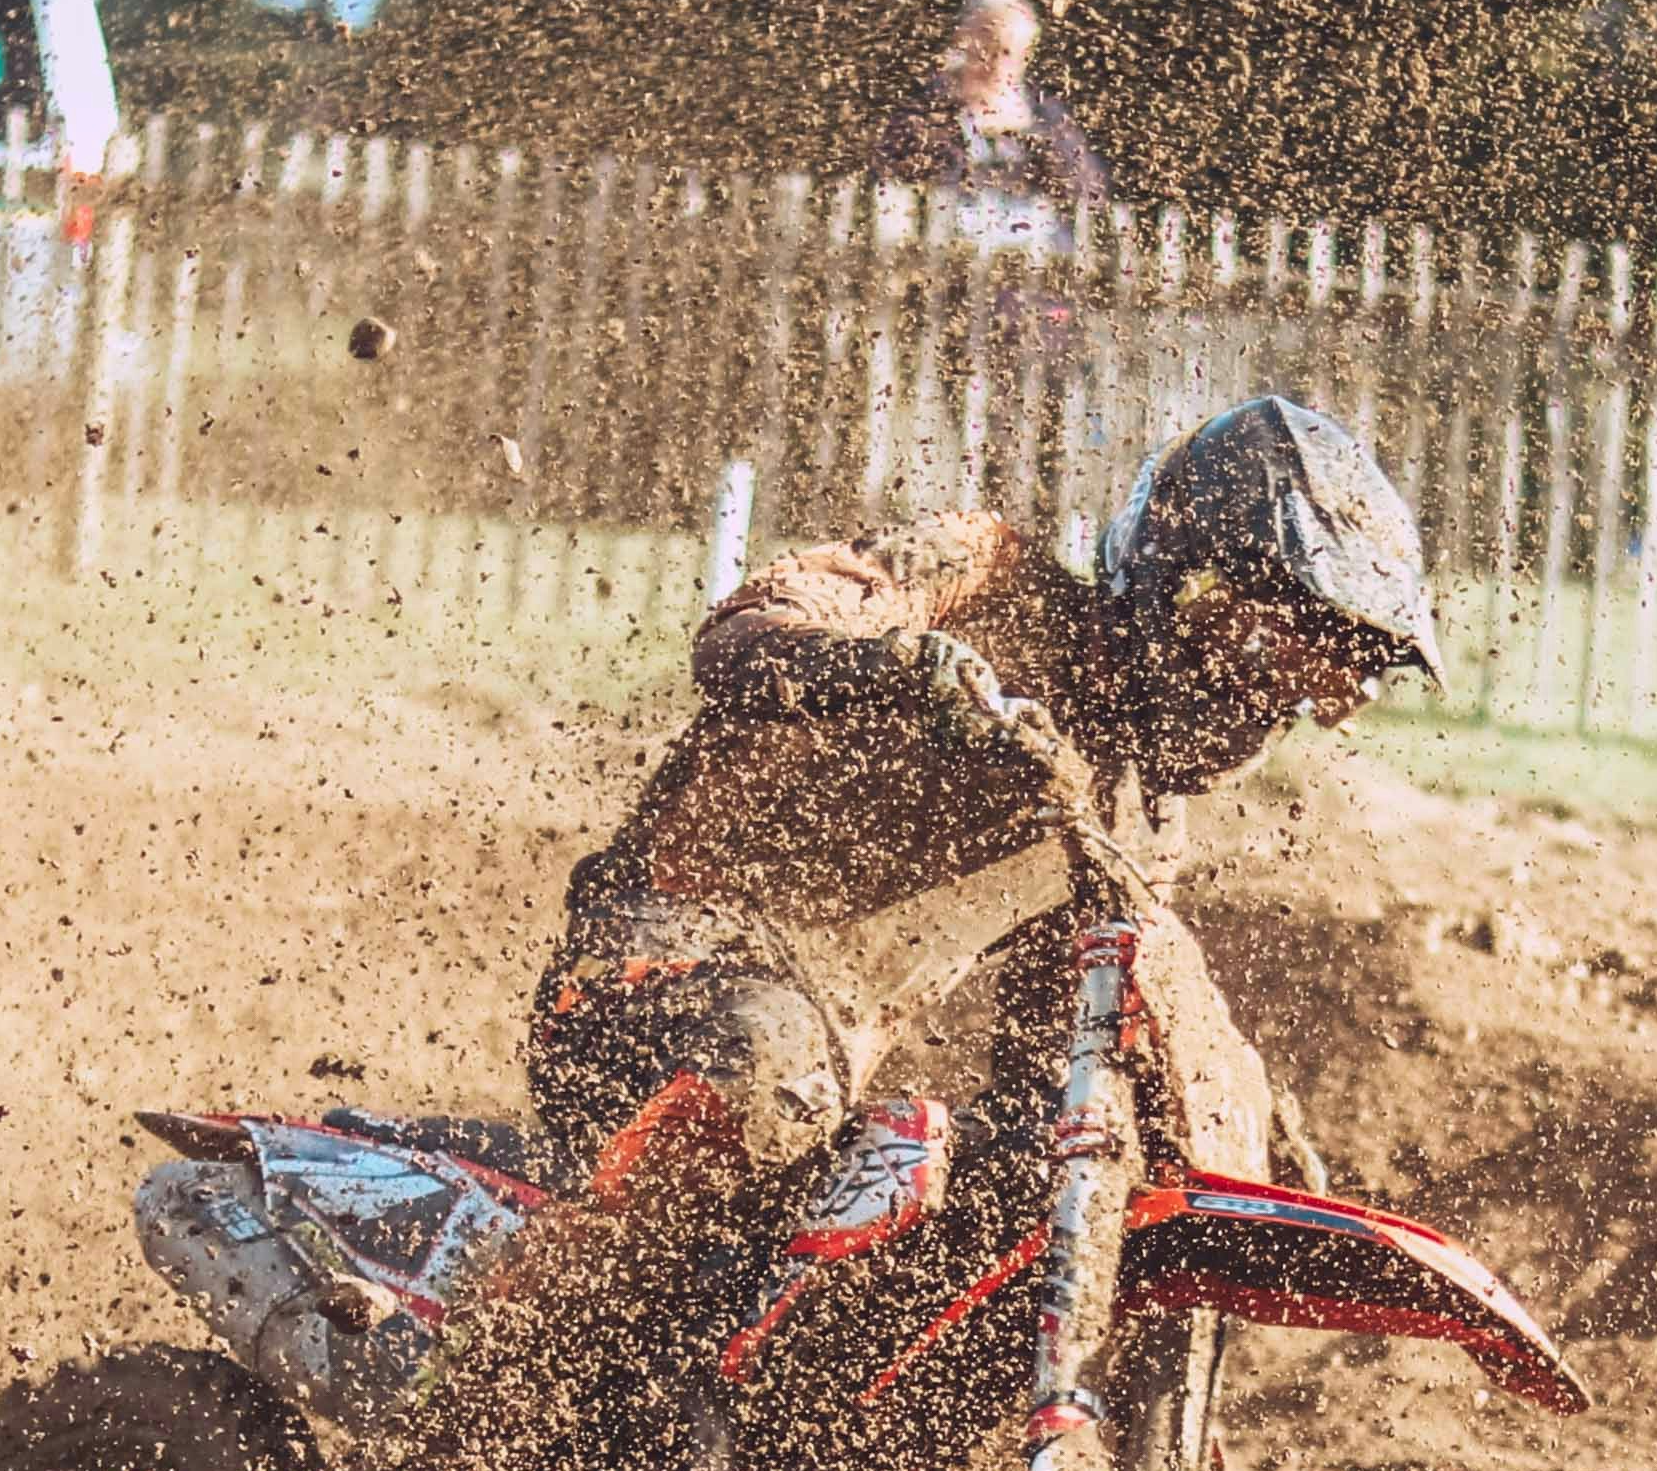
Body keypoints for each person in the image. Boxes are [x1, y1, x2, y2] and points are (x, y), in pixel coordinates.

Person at [528, 399, 1439, 1310]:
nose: (1265, 694)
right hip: (654, 967)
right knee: (773, 1062)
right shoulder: (989, 578)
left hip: (824, 1082)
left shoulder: (1134, 821)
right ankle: (526, 1323)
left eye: (1320, 679)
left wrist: (1236, 1112)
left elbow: (1059, 1055)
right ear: (1173, 574)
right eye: (1260, 642)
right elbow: (741, 637)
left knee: (1029, 1179)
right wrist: (905, 671)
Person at [870, 0, 1106, 253]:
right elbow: (892, 180)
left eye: (1007, 53)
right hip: (945, 256)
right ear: (963, 41)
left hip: (1034, 264)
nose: (995, 65)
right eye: (987, 47)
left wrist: (1032, 141)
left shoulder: (1044, 115)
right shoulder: (930, 109)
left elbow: (1088, 189)